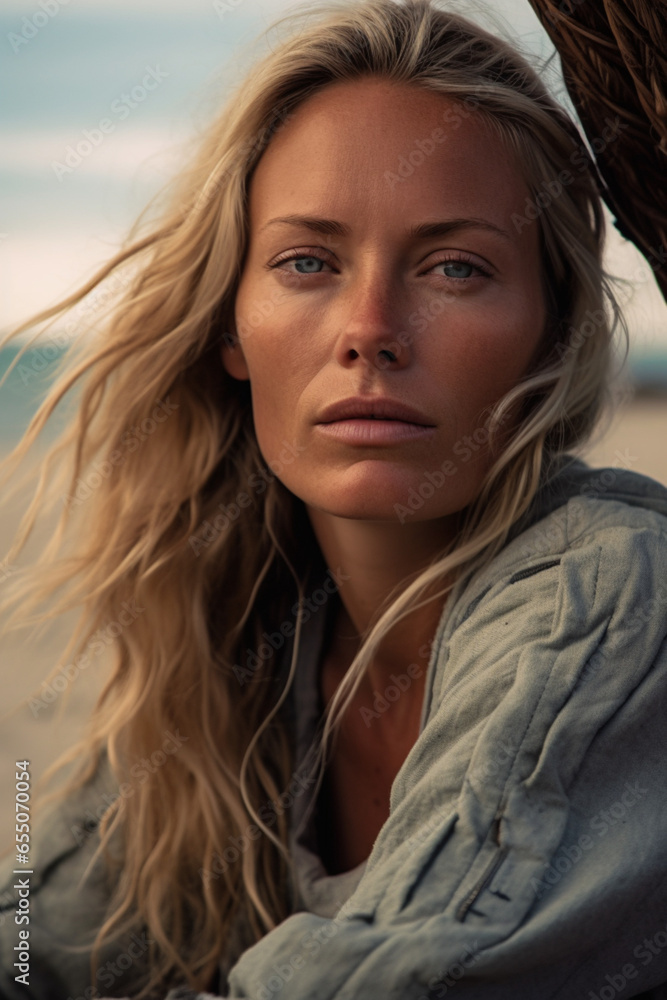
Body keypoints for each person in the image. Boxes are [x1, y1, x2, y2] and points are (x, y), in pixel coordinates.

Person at [1, 0, 666, 997]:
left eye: (454, 267)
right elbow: (35, 951)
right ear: (232, 326)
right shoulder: (241, 635)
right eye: (308, 262)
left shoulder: (610, 592)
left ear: (554, 331)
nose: (369, 329)